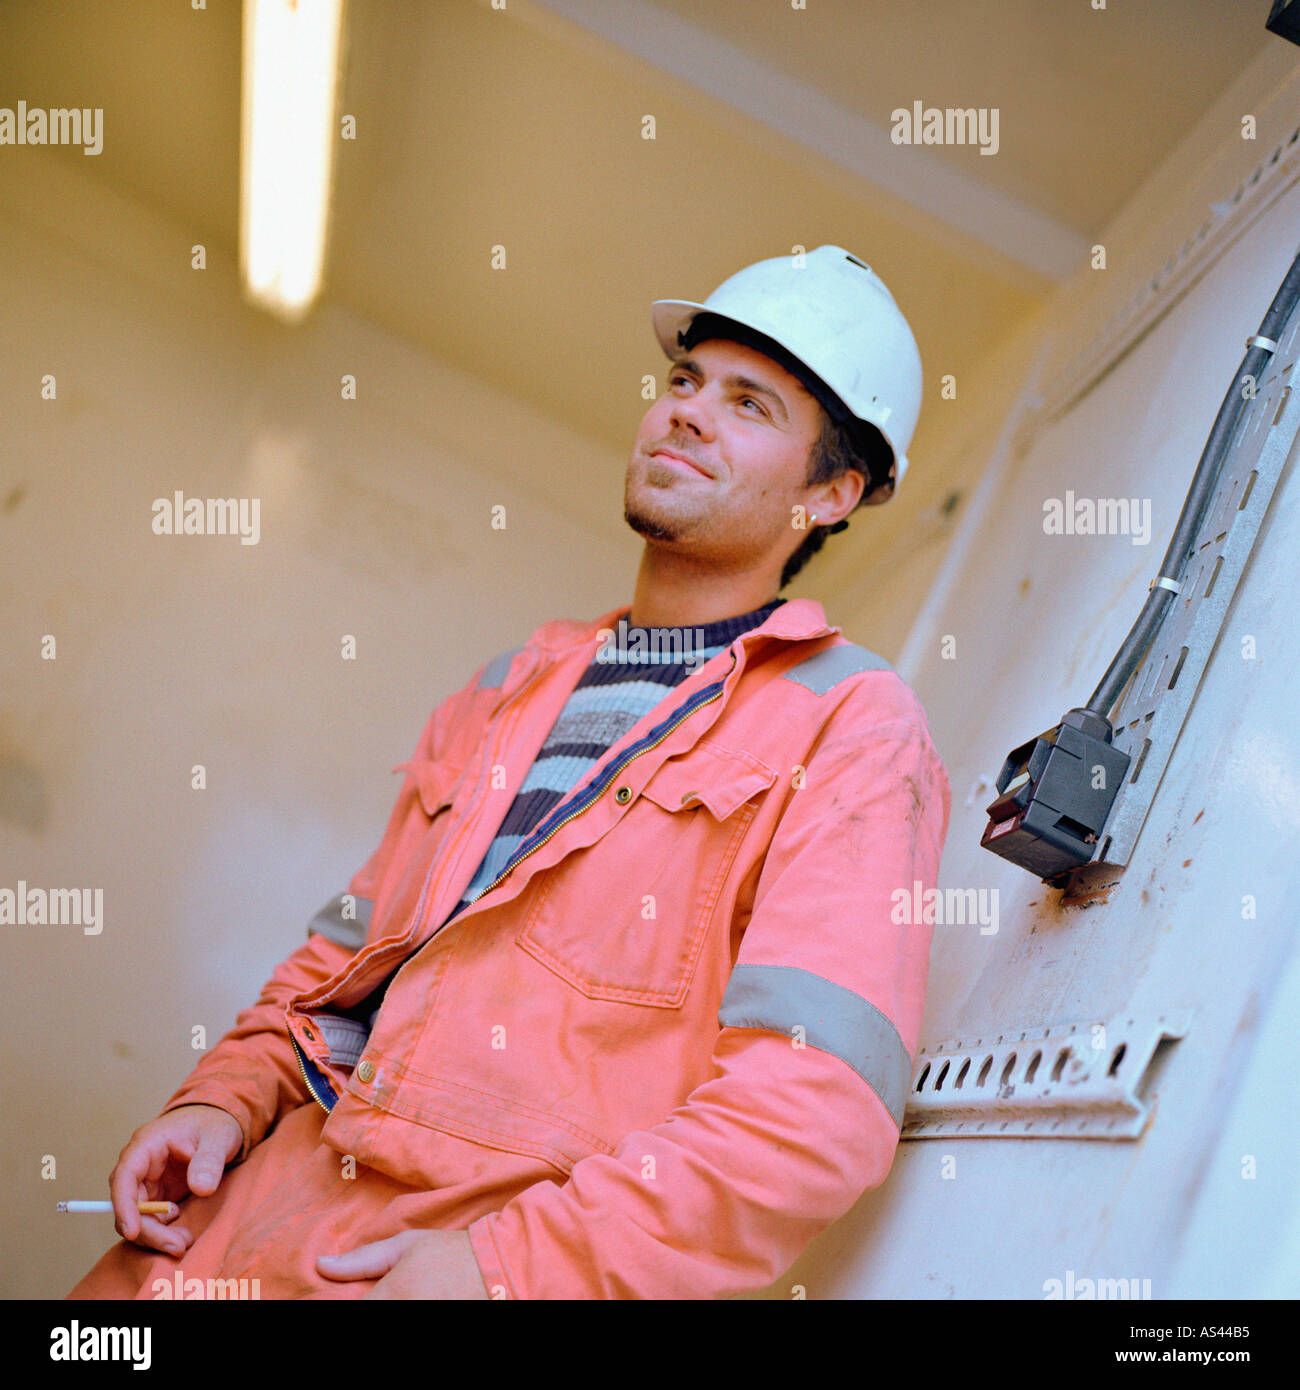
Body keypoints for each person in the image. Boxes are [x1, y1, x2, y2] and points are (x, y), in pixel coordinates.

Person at [70, 244, 951, 1300]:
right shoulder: (511, 686)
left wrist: (509, 1268)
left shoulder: (849, 726)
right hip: (223, 1224)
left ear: (832, 492)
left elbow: (813, 1105)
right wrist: (220, 1097)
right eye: (684, 381)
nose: (686, 413)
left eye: (750, 405)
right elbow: (343, 955)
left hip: (444, 1266)